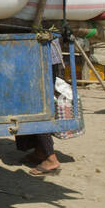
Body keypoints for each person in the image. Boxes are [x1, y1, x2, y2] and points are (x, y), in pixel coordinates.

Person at [17, 37, 64, 175]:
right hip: (40, 56)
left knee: (37, 106)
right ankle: (40, 151)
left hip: (43, 57)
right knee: (31, 104)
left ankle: (51, 158)